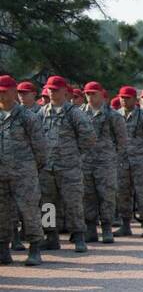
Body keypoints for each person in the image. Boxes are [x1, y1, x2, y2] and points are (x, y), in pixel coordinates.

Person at [39, 76, 96, 252]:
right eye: (49, 89)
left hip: (69, 166)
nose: (51, 91)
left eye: (55, 89)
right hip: (48, 167)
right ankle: (51, 236)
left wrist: (73, 153)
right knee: (48, 204)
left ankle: (79, 236)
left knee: (73, 202)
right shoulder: (42, 112)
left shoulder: (74, 113)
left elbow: (89, 138)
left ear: (65, 91)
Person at [0, 74, 49, 265]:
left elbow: (40, 147)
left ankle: (35, 248)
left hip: (24, 172)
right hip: (1, 173)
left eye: (5, 92)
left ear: (13, 92)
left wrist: (32, 167)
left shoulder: (27, 117)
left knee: (29, 210)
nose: (2, 96)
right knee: (2, 212)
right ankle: (3, 249)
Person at [82, 81, 127, 242]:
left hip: (106, 162)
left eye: (94, 93)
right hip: (85, 161)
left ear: (102, 94)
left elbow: (122, 140)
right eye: (88, 93)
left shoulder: (113, 115)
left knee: (107, 195)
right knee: (88, 196)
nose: (90, 96)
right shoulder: (80, 114)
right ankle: (90, 228)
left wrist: (113, 156)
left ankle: (107, 228)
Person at [114, 86, 143, 237]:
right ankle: (125, 224)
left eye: (127, 98)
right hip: (122, 161)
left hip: (141, 161)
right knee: (123, 193)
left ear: (135, 99)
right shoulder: (115, 116)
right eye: (122, 97)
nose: (124, 100)